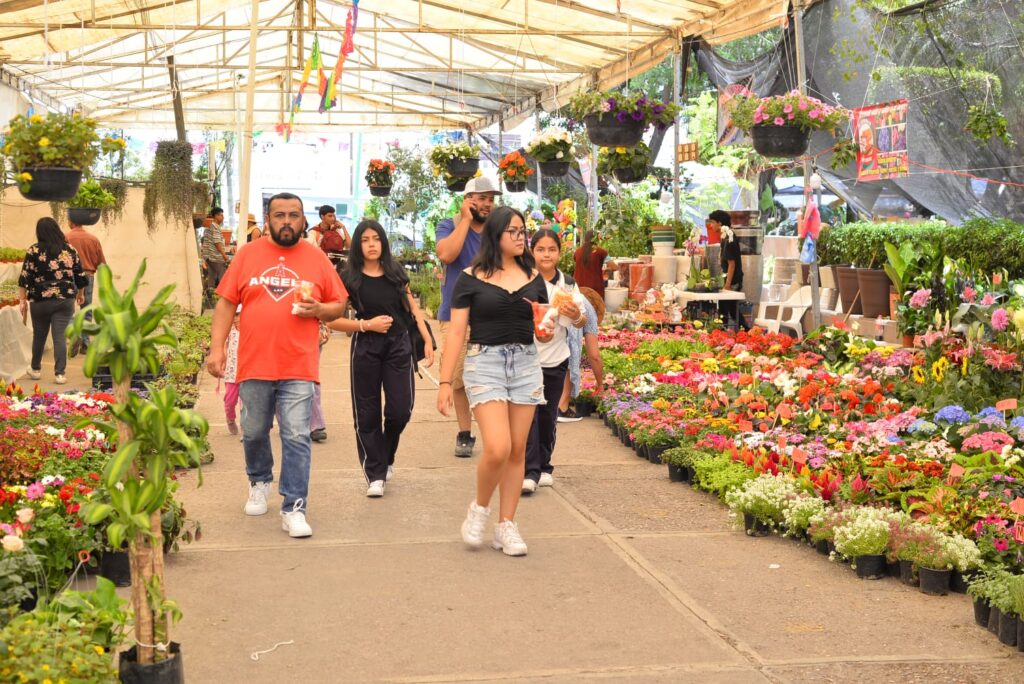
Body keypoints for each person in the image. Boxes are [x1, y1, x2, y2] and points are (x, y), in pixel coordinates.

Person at [206, 192, 348, 539]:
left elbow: (339, 303)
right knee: (253, 430)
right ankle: (259, 480)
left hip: (299, 363)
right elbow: (226, 304)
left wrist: (320, 310)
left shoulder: (315, 258)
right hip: (255, 363)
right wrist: (216, 348)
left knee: (297, 434)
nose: (287, 221)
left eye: (294, 215)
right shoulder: (248, 256)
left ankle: (295, 505)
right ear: (268, 219)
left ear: (303, 220)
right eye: (280, 215)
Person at [437, 206, 550, 557]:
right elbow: (457, 332)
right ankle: (480, 509)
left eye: (523, 232)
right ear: (496, 235)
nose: (521, 238)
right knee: (498, 447)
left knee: (517, 450)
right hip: (484, 362)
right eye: (514, 232)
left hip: (527, 364)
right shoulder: (469, 278)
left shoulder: (534, 279)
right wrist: (443, 382)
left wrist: (551, 326)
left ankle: (506, 525)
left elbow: (542, 332)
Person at [329, 220, 435, 498]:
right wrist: (366, 325)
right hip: (365, 346)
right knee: (367, 412)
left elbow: (412, 308)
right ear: (357, 245)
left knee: (401, 409)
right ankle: (375, 473)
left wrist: (426, 341)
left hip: (399, 345)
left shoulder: (395, 272)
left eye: (376, 239)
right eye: (365, 240)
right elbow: (331, 320)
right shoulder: (348, 277)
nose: (372, 244)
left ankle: (386, 454)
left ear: (384, 243)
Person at [435, 176, 502, 458]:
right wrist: (464, 220)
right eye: (481, 198)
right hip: (455, 314)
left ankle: (494, 431)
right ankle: (465, 432)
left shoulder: (498, 229)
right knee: (458, 376)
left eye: (491, 199)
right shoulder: (448, 225)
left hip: (491, 313)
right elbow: (447, 255)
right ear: (468, 199)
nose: (487, 204)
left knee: (492, 377)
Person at [523, 229, 586, 494]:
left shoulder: (568, 285)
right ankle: (530, 470)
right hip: (526, 360)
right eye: (540, 249)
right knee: (529, 417)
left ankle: (545, 465)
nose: (546, 254)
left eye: (551, 249)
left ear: (560, 253)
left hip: (555, 360)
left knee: (548, 416)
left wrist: (574, 315)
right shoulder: (523, 281)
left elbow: (581, 320)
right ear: (531, 251)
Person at [17, 217, 87, 384]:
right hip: (64, 298)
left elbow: (25, 277)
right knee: (59, 337)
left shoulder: (33, 250)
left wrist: (21, 300)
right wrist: (80, 294)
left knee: (39, 336)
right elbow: (80, 275)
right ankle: (60, 374)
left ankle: (35, 369)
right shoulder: (70, 250)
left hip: (40, 299)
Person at [64, 218, 107, 357]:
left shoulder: (65, 238)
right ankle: (86, 344)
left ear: (72, 222)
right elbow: (102, 264)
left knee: (67, 310)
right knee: (86, 310)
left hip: (68, 277)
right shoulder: (93, 239)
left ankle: (74, 334)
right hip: (88, 276)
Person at [560, 289, 604, 421]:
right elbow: (594, 355)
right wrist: (600, 384)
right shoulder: (589, 311)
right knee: (569, 358)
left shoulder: (568, 295)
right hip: (563, 347)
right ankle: (562, 408)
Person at [708, 210, 746, 330]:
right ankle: (743, 331)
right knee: (729, 309)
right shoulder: (725, 236)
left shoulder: (729, 237)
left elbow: (732, 264)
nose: (711, 225)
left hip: (733, 281)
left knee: (727, 309)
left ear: (719, 223)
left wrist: (728, 284)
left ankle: (744, 331)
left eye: (713, 222)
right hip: (729, 280)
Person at [573, 230, 616, 300]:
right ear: (596, 239)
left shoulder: (577, 252)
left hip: (579, 287)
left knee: (580, 308)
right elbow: (615, 267)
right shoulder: (601, 252)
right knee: (596, 309)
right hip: (595, 288)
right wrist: (607, 269)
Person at [223, 306, 242, 435]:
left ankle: (247, 426)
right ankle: (230, 418)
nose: (236, 318)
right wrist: (224, 358)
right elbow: (224, 345)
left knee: (247, 401)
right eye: (234, 315)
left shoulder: (250, 329)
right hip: (231, 371)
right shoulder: (229, 330)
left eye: (238, 314)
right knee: (230, 400)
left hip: (247, 371)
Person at [202, 206, 229, 289]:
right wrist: (224, 255)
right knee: (223, 278)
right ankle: (221, 296)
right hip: (216, 257)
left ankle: (210, 295)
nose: (223, 217)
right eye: (221, 215)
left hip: (210, 257)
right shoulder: (215, 227)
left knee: (212, 277)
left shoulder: (210, 227)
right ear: (216, 216)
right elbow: (217, 243)